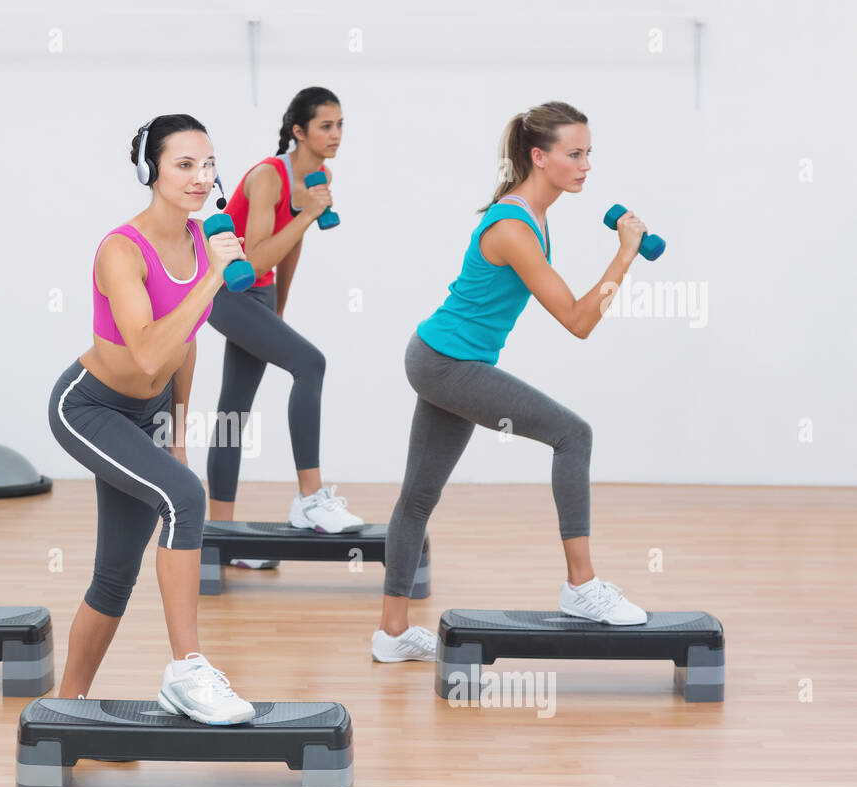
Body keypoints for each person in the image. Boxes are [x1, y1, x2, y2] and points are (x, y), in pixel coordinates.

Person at [373, 101, 651, 665]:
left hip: (441, 357)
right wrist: (624, 254)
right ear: (539, 157)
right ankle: (581, 586)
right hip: (447, 365)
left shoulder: (534, 214)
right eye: (575, 154)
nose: (586, 165)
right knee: (574, 435)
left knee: (418, 497)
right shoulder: (512, 227)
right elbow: (578, 321)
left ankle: (392, 632)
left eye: (588, 153)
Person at [46, 115, 255, 724]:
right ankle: (187, 669)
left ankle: (65, 712)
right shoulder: (121, 249)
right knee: (186, 499)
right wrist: (214, 279)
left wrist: (177, 434)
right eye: (184, 164)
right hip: (88, 406)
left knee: (114, 575)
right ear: (151, 171)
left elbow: (185, 347)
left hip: (146, 414)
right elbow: (146, 350)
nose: (200, 177)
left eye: (208, 165)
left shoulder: (200, 242)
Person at [206, 87, 361, 570]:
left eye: (340, 125)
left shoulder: (318, 177)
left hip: (258, 297)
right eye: (325, 126)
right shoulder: (269, 177)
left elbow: (289, 252)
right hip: (225, 291)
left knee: (233, 411)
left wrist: (276, 313)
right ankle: (310, 498)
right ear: (299, 131)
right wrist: (309, 213)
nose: (336, 135)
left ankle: (222, 537)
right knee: (310, 363)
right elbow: (250, 261)